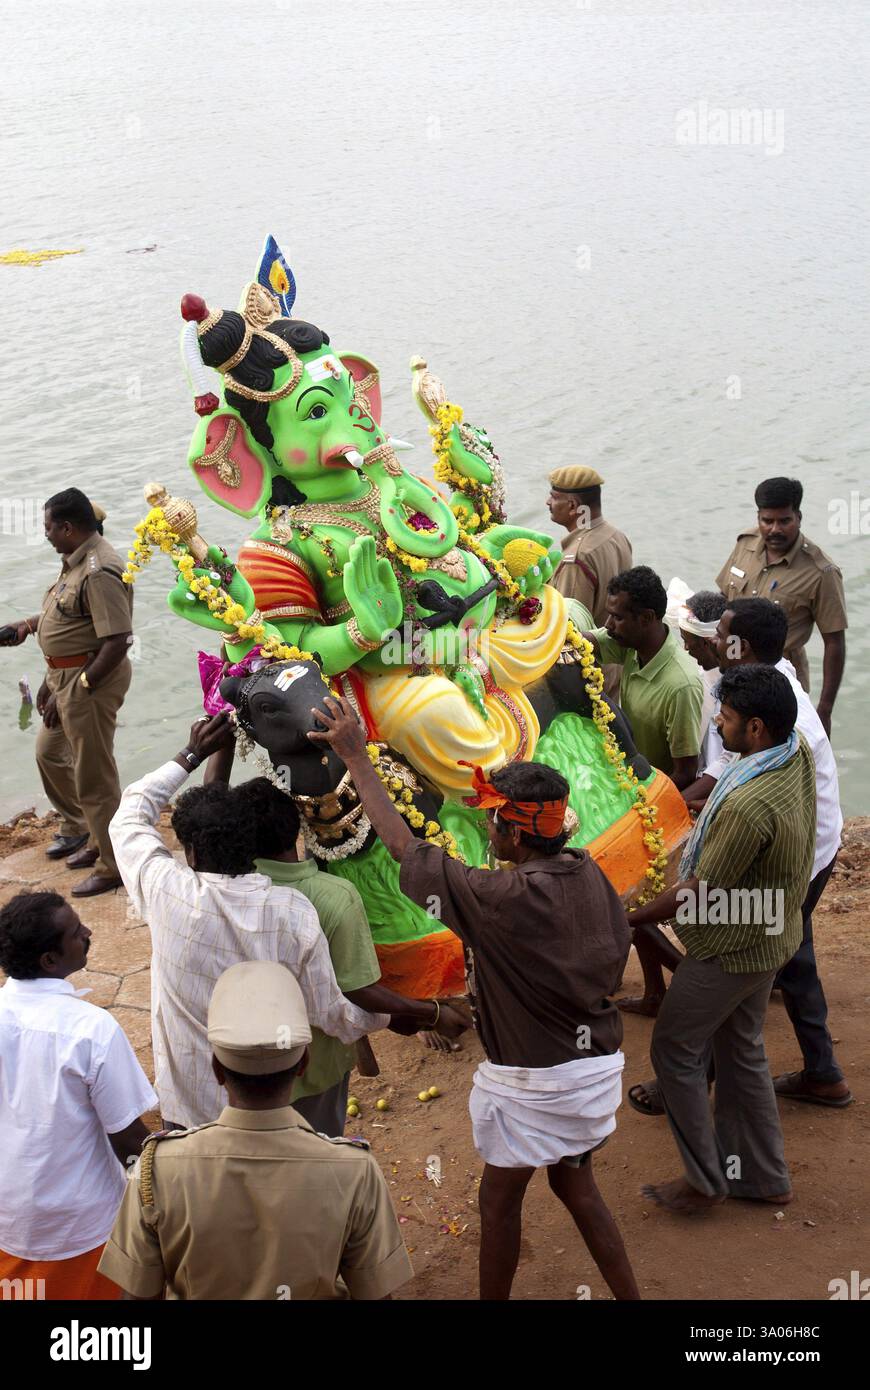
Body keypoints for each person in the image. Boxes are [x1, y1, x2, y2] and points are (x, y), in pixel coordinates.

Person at [309, 695, 640, 1302]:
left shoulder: (501, 898)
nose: (486, 831)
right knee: (576, 1188)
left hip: (537, 1083)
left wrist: (356, 758)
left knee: (497, 1199)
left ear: (513, 833)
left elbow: (409, 851)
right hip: (595, 1073)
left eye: (491, 822)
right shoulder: (589, 873)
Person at [108, 713, 394, 1131]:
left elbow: (130, 813)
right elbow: (330, 1012)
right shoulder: (293, 912)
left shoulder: (166, 890)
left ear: (190, 854)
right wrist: (399, 1015)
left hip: (190, 1103)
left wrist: (192, 753)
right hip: (271, 1107)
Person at [97, 961, 414, 1300]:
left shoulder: (156, 1169)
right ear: (303, 1065)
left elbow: (137, 1297)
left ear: (217, 1069)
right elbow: (375, 1293)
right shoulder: (354, 1171)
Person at [630, 666, 815, 1213]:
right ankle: (761, 1176)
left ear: (756, 729)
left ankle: (705, 1178)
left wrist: (629, 920)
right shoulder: (794, 748)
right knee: (741, 1048)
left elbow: (696, 892)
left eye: (728, 718)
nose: (717, 721)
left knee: (674, 1047)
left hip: (732, 947)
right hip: (775, 930)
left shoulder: (743, 806)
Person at [682, 599, 848, 1108]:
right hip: (810, 844)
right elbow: (726, 768)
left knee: (733, 958)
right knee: (792, 956)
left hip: (797, 854)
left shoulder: (773, 708)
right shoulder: (763, 692)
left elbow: (741, 787)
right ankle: (823, 1074)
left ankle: (692, 1080)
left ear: (742, 647)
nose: (712, 641)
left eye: (722, 635)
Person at [233, 777, 468, 1135]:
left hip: (241, 1061)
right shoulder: (334, 897)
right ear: (300, 824)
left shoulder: (222, 888)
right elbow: (357, 989)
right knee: (319, 1145)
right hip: (315, 1066)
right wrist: (429, 1013)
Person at [0, 891, 157, 1300]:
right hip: (81, 1226)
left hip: (9, 1219)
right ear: (49, 961)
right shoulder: (91, 1030)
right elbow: (127, 1139)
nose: (87, 933)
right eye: (75, 932)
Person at [0, 489, 134, 896]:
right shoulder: (76, 562)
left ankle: (114, 866)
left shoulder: (99, 570)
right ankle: (87, 832)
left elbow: (118, 640)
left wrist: (81, 687)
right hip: (67, 678)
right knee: (48, 753)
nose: (46, 535)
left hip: (89, 682)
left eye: (48, 528)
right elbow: (70, 616)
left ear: (68, 527)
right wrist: (28, 627)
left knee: (94, 777)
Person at [716, 476, 846, 732]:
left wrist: (825, 710)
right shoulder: (745, 545)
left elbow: (834, 641)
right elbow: (722, 599)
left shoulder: (821, 571)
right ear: (758, 518)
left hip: (779, 684)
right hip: (731, 673)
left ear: (798, 516)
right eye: (767, 521)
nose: (775, 529)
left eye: (784, 521)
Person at [583, 566, 703, 789]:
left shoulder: (680, 686)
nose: (608, 625)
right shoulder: (630, 644)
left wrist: (638, 801)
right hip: (625, 770)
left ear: (647, 618)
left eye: (617, 617)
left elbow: (685, 773)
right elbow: (582, 641)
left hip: (649, 791)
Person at [547, 465, 632, 697]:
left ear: (573, 506)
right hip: (616, 667)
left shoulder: (577, 558)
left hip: (591, 679)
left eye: (554, 497)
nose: (547, 502)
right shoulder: (617, 537)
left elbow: (569, 632)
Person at [673, 589, 731, 781]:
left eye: (688, 643)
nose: (686, 650)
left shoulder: (737, 686)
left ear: (708, 643)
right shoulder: (703, 675)